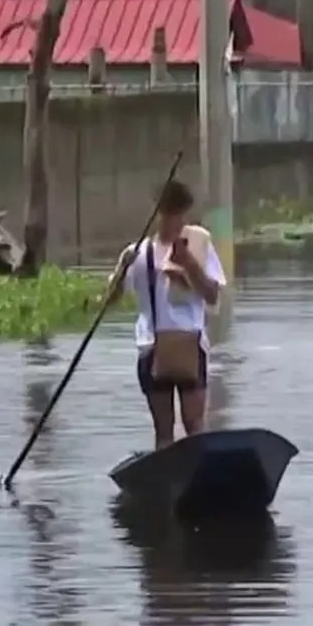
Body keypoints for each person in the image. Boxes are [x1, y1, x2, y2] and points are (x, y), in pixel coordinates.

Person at [107, 179, 226, 450]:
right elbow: (111, 300)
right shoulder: (136, 253)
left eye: (181, 214)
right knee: (163, 433)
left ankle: (197, 479)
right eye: (171, 213)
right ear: (158, 212)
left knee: (195, 428)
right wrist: (121, 272)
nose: (177, 221)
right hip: (151, 347)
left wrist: (189, 265)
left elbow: (212, 295)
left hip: (190, 345)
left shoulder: (198, 247)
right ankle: (166, 483)